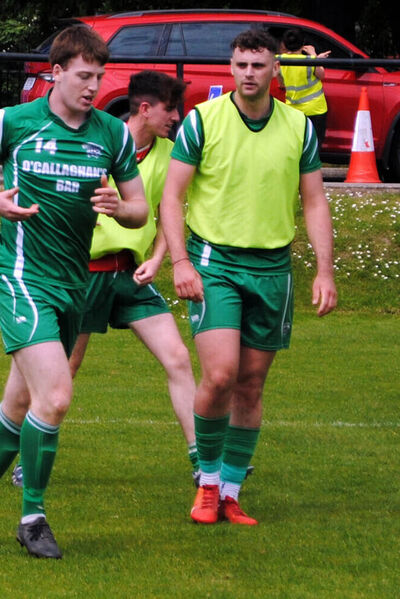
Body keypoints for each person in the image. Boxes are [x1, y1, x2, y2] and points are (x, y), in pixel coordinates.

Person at [0, 25, 148, 559]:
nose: (93, 86)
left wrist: (118, 208)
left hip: (74, 283)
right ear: (56, 73)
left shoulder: (113, 133)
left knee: (19, 403)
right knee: (55, 396)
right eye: (84, 76)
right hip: (19, 276)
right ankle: (32, 517)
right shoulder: (13, 121)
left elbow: (140, 209)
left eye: (99, 77)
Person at [160, 28, 337, 527]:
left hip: (273, 267)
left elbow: (314, 201)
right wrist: (180, 262)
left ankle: (231, 492)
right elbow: (171, 197)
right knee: (220, 375)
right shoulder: (203, 120)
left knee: (251, 384)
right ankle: (207, 483)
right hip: (214, 262)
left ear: (275, 69)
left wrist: (325, 270)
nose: (249, 74)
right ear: (231, 67)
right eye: (241, 65)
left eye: (258, 65)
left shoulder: (298, 126)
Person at [65, 71, 199, 482]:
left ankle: (204, 462)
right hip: (85, 275)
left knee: (178, 358)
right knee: (63, 370)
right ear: (144, 108)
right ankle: (27, 457)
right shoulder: (97, 143)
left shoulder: (171, 154)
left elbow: (170, 214)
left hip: (132, 278)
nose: (176, 117)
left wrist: (158, 259)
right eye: (170, 109)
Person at [277, 29, 329, 147]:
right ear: (303, 44)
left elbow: (281, 84)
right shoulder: (310, 61)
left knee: (297, 146)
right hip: (315, 110)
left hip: (293, 110)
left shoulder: (279, 60)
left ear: (285, 44)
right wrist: (314, 55)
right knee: (313, 146)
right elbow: (321, 75)